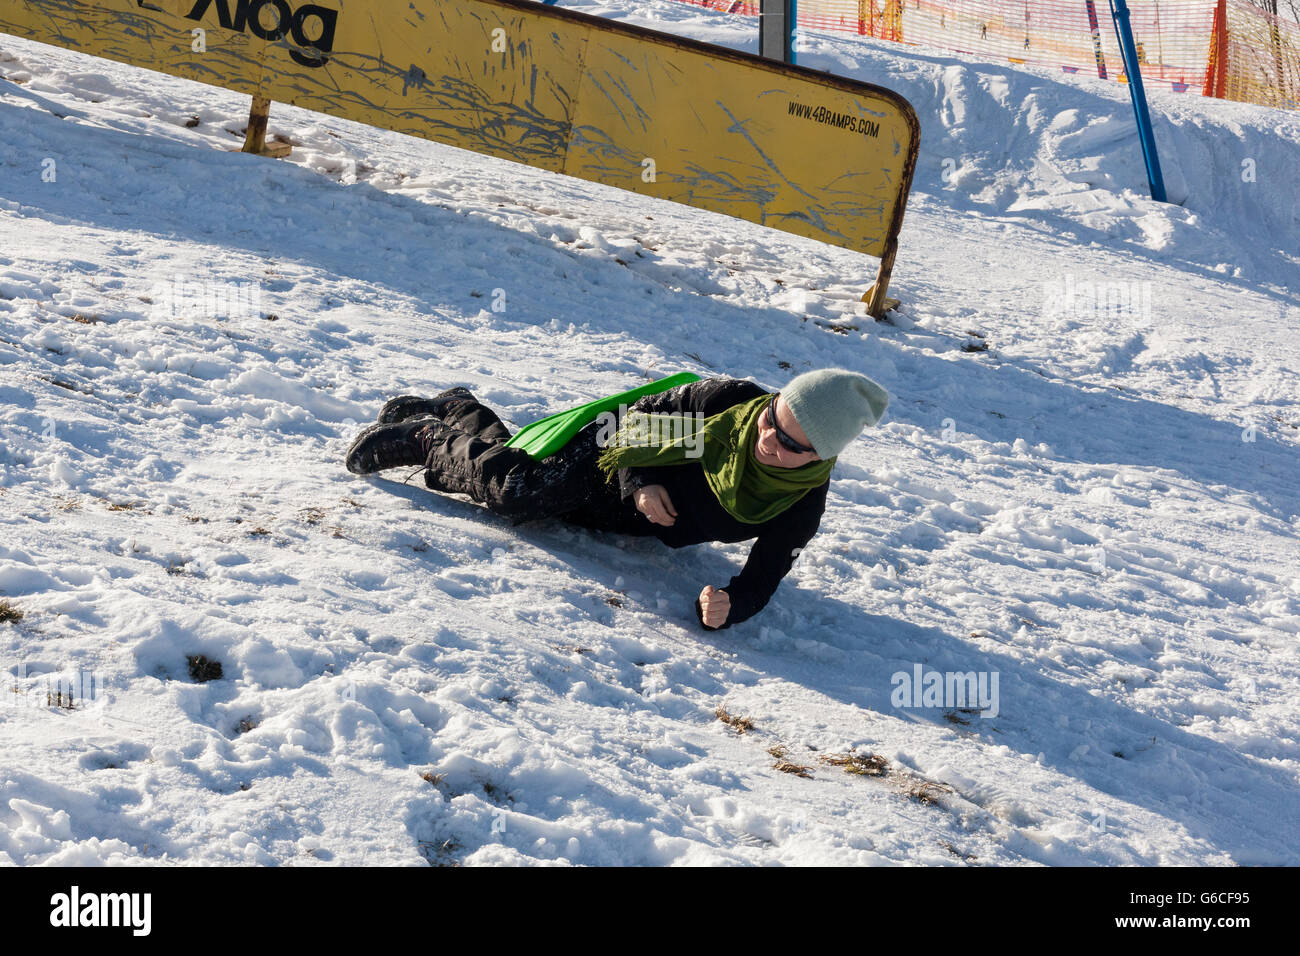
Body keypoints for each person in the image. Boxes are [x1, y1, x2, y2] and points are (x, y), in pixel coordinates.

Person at [345, 370, 888, 630]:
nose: (769, 440)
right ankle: (424, 439)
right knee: (517, 493)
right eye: (774, 420)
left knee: (520, 474)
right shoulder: (728, 406)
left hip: (621, 517)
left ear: (821, 457)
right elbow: (635, 421)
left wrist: (732, 604)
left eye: (793, 445)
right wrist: (641, 480)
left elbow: (763, 576)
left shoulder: (798, 504)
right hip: (610, 454)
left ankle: (457, 408)